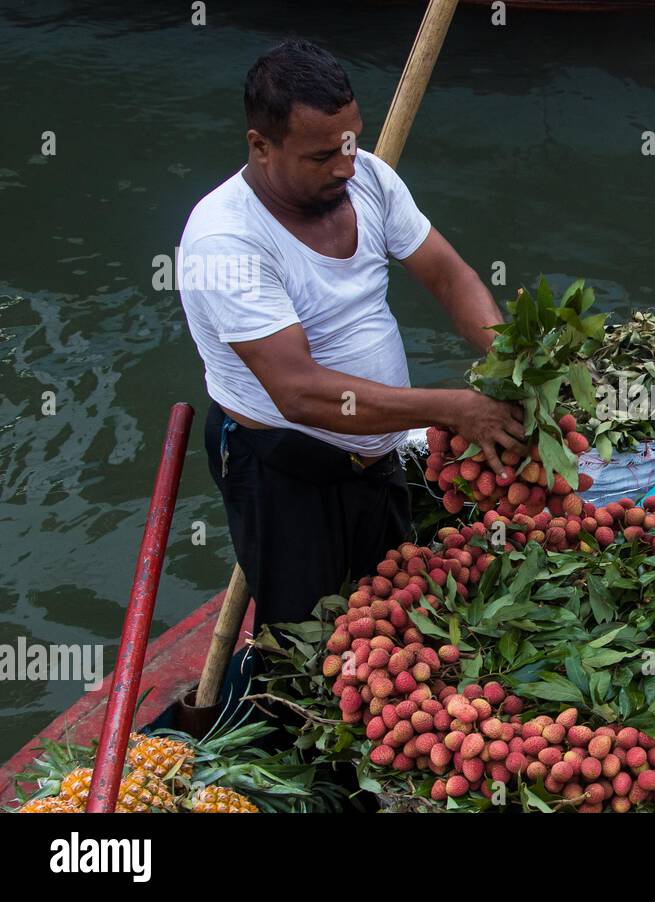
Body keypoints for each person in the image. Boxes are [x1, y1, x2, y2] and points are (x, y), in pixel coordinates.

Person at [178, 40, 524, 635]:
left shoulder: (370, 181)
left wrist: (509, 361)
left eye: (350, 143)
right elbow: (300, 392)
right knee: (304, 640)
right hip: (283, 468)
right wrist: (455, 408)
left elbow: (448, 274)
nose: (344, 166)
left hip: (375, 453)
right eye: (320, 156)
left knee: (388, 614)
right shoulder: (224, 243)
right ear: (260, 147)